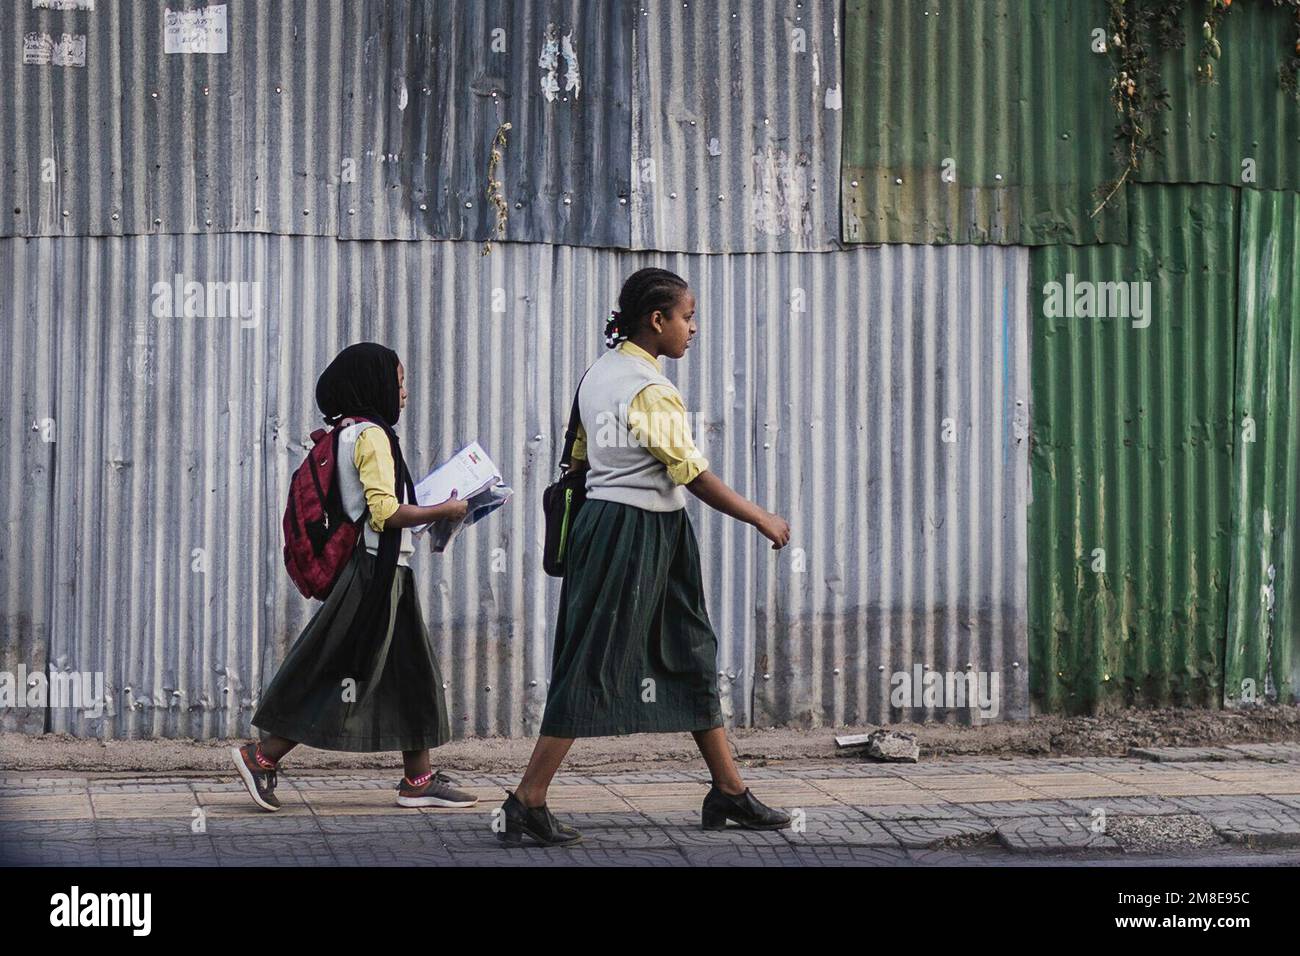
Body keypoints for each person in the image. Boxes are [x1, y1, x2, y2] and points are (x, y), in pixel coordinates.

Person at [501, 268, 793, 846]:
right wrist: (761, 516)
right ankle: (527, 800)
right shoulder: (649, 388)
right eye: (687, 317)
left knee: (689, 649)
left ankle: (729, 790)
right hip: (634, 532)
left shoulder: (599, 374)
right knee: (593, 661)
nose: (694, 328)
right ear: (657, 321)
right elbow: (693, 474)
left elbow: (580, 458)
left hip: (634, 528)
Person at [232, 343, 477, 811]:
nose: (404, 393)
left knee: (411, 671)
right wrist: (446, 508)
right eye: (399, 381)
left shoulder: (347, 433)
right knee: (336, 668)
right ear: (374, 385)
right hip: (371, 576)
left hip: (385, 572)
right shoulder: (371, 437)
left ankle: (418, 778)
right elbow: (384, 513)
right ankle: (260, 757)